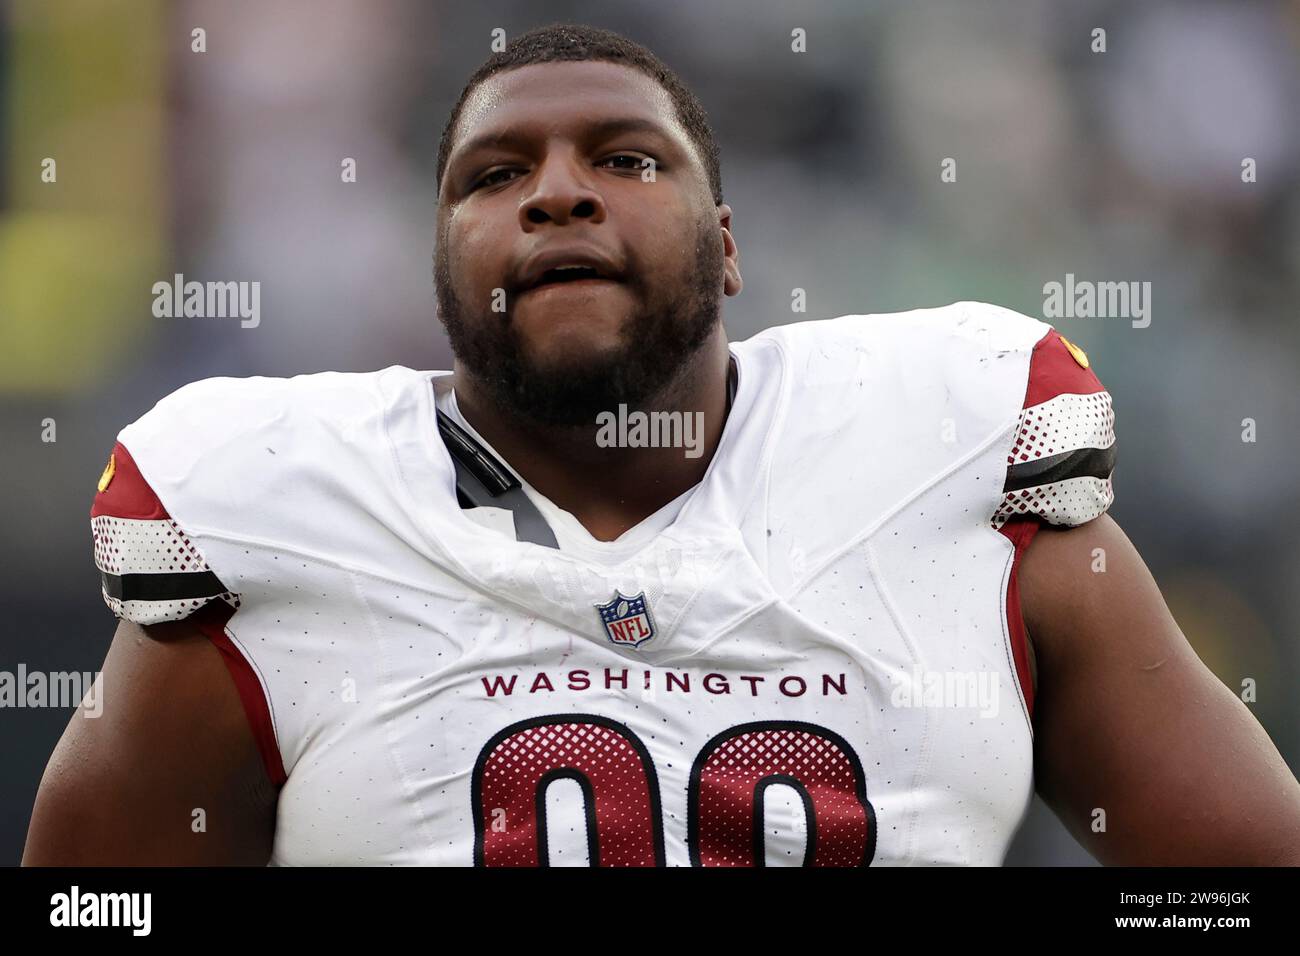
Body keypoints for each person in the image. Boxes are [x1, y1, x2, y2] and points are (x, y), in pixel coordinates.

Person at [24, 23, 1300, 866]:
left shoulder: (956, 459)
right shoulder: (274, 518)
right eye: (491, 174)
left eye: (628, 159)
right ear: (437, 276)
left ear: (730, 245)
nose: (557, 191)